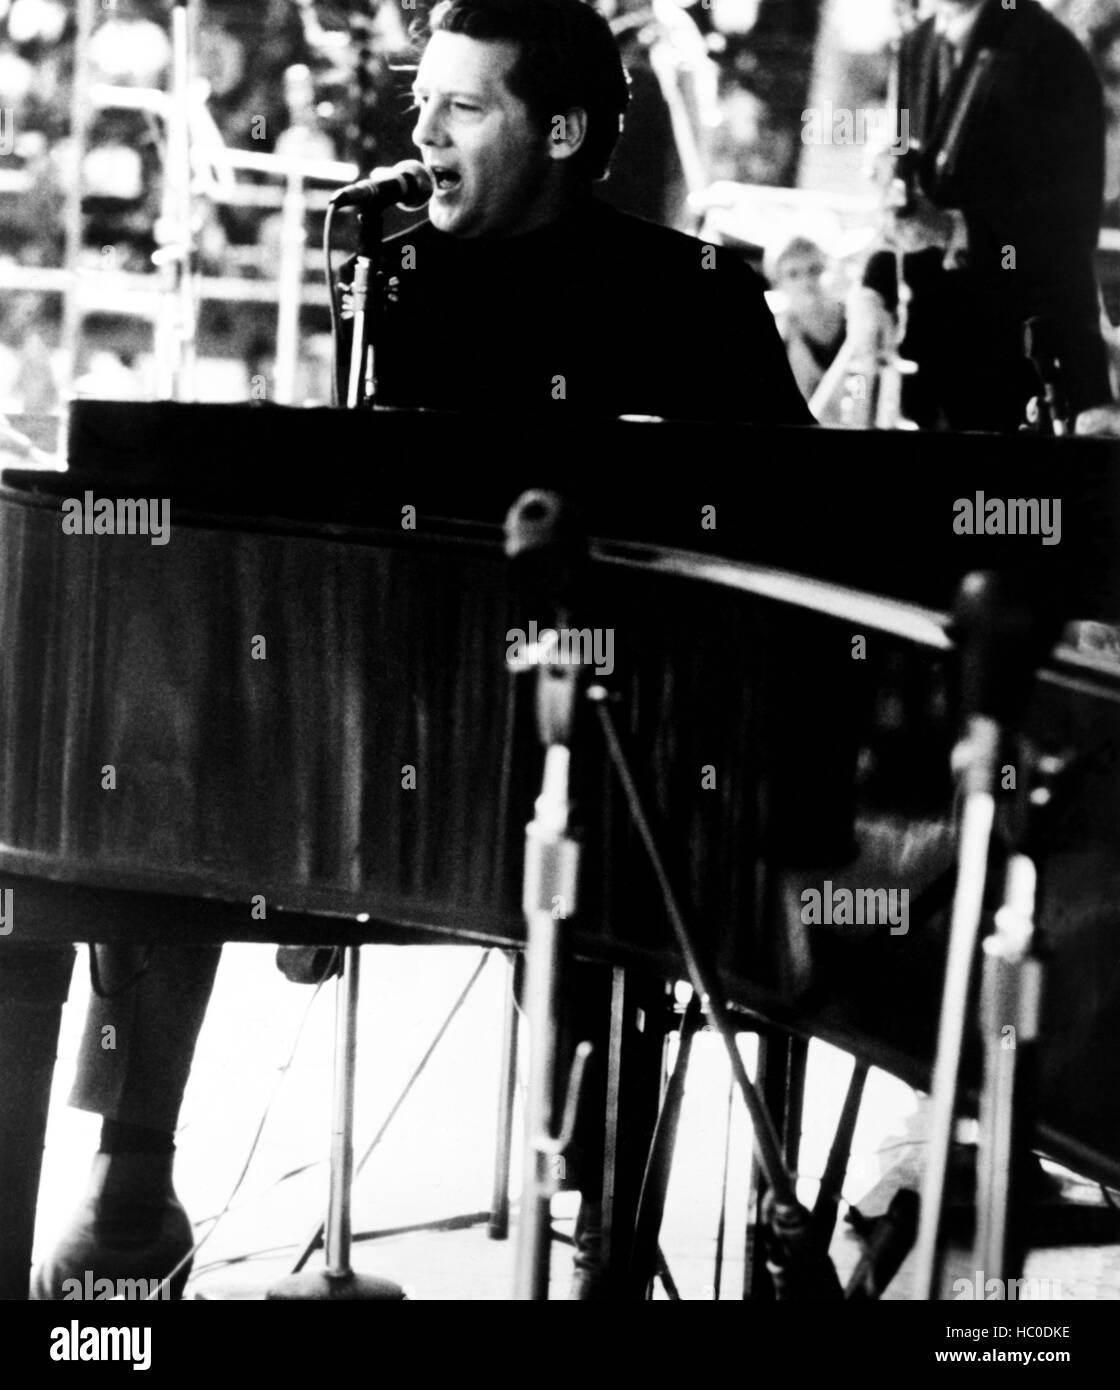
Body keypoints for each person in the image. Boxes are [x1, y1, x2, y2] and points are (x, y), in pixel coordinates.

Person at [27, 0, 812, 1304]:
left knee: (589, 858)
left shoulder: (702, 296)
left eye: (462, 106)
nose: (420, 132)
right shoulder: (396, 270)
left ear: (560, 130)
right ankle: (135, 1177)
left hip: (599, 731)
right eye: (419, 101)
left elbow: (795, 529)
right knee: (158, 765)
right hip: (401, 709)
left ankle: (596, 1214)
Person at [858, 0, 1112, 433]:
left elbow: (1067, 231)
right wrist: (873, 284)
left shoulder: (1053, 54)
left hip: (1012, 367)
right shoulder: (916, 44)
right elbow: (903, 185)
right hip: (923, 367)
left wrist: (955, 229)